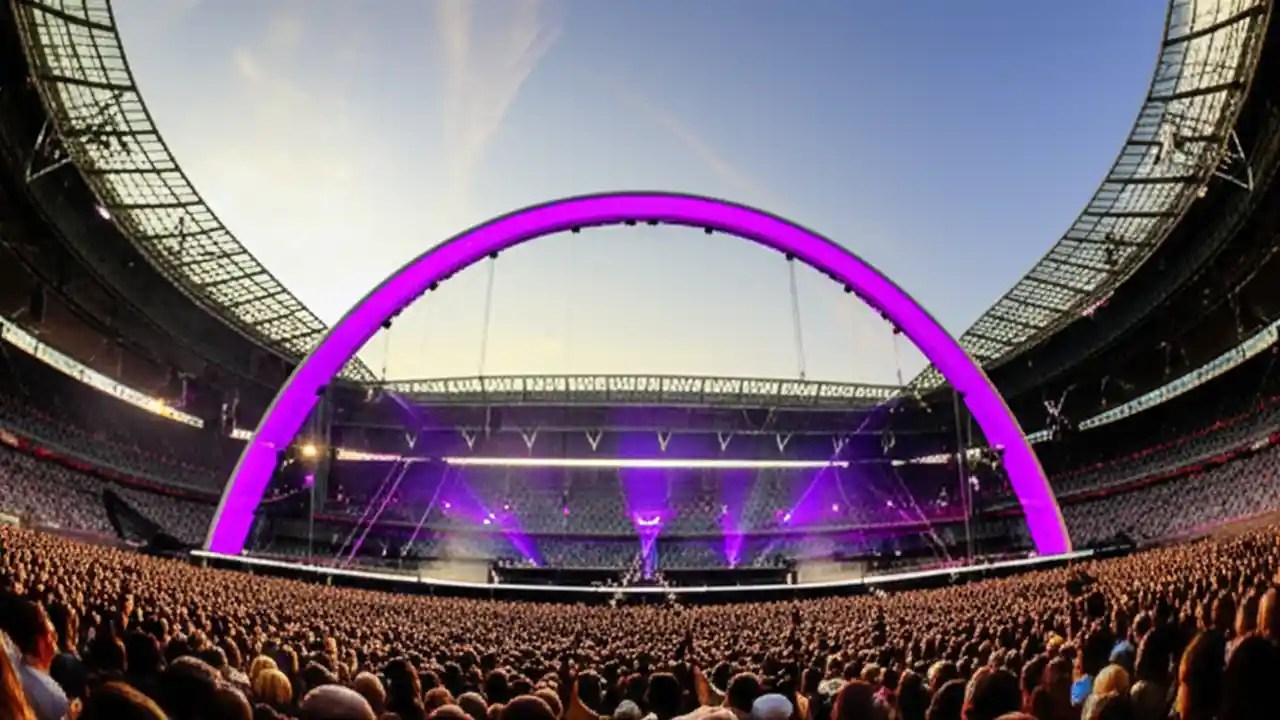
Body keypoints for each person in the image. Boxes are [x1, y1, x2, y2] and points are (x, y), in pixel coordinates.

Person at [2, 600, 69, 720]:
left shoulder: (11, 668)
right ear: (41, 643)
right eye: (52, 634)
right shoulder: (53, 696)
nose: (56, 639)